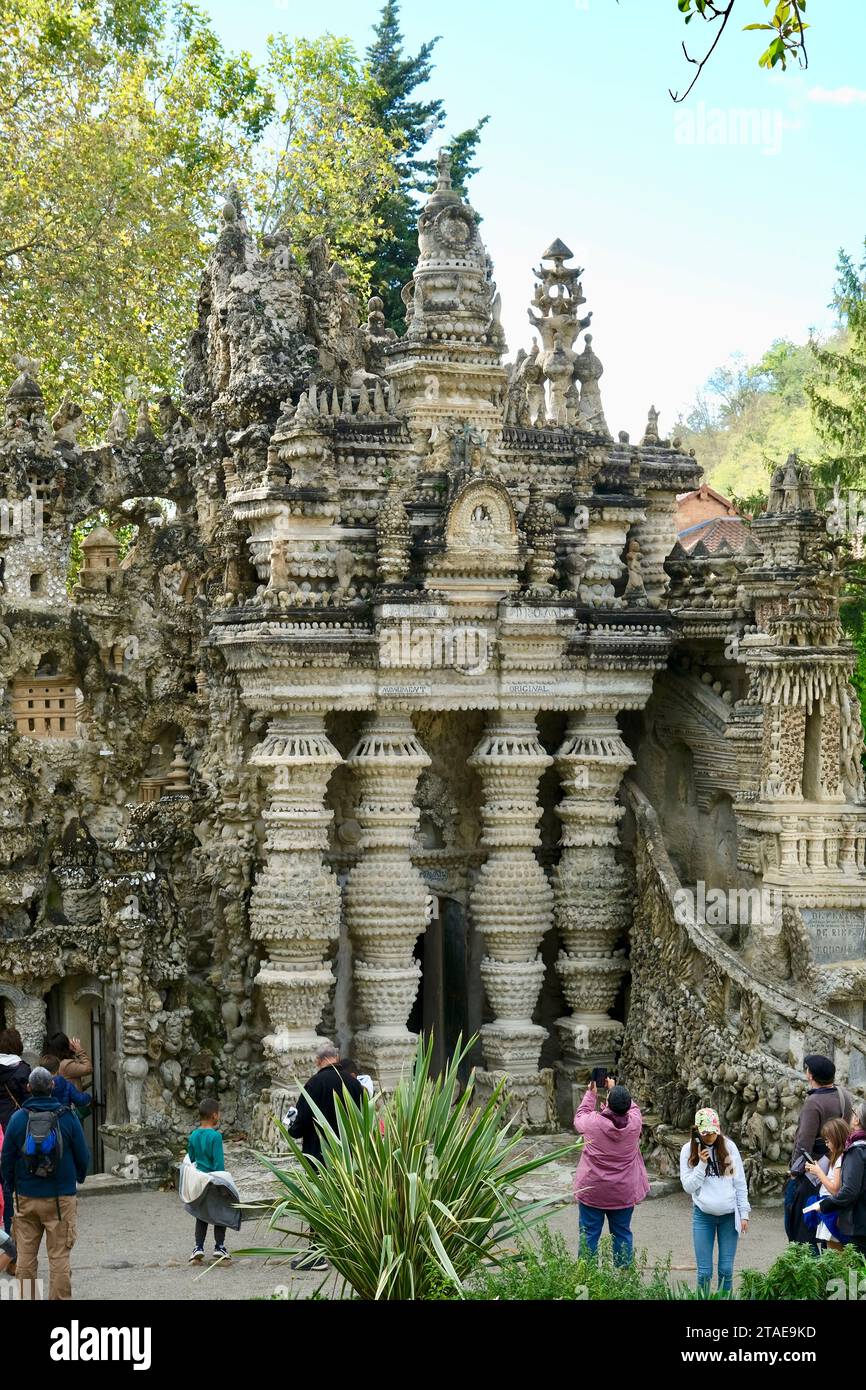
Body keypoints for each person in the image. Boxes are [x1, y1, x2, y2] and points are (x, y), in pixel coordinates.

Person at [0, 1065, 90, 1300]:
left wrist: (12, 1187)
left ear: (28, 1088)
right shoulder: (67, 1117)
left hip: (26, 1198)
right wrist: (76, 1179)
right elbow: (83, 1156)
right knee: (59, 1257)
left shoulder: (18, 1119)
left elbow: (7, 1158)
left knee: (26, 1258)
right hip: (60, 1198)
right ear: (52, 1086)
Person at [286, 1040, 365, 1272]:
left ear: (318, 1061)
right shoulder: (353, 1084)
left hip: (318, 1155)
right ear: (337, 1059)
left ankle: (317, 1255)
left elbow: (298, 1125)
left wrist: (289, 1126)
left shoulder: (314, 1083)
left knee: (320, 1203)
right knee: (345, 1200)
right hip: (348, 1155)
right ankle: (350, 1253)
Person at [573, 1077, 649, 1266]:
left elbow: (580, 1116)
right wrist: (616, 1090)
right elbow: (634, 1109)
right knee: (622, 1233)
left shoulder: (592, 1123)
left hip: (593, 1191)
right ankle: (623, 1282)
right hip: (622, 1192)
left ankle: (587, 1279)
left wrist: (591, 1094)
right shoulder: (635, 1124)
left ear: (607, 1103)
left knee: (589, 1234)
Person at [680, 1106, 750, 1294]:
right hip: (703, 1216)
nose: (710, 1137)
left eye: (713, 1133)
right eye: (706, 1134)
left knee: (726, 1270)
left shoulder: (728, 1147)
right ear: (697, 1131)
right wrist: (702, 1165)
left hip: (729, 1215)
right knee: (704, 1272)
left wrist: (744, 1213)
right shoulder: (688, 1150)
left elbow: (739, 1182)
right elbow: (688, 1187)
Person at [785, 1054, 853, 1247]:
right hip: (836, 1163)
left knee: (798, 1221)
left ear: (810, 1075)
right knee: (826, 1222)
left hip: (812, 1170)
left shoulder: (813, 1103)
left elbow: (803, 1143)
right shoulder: (844, 1096)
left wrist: (794, 1172)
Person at [183, 1098, 239, 1264]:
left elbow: (191, 1158)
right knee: (219, 1214)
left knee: (201, 1215)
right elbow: (218, 1163)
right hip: (214, 1181)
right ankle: (219, 1246)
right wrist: (223, 1184)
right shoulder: (215, 1137)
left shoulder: (193, 1135)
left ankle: (198, 1247)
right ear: (214, 1115)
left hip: (200, 1181)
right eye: (219, 1113)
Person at [817, 1100, 866, 1255]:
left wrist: (826, 1205)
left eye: (853, 1114)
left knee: (856, 1273)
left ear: (857, 1119)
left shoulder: (856, 1151)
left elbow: (850, 1190)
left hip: (858, 1224)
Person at [0, 1027, 30, 1234]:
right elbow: (29, 1101)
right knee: (14, 1175)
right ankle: (14, 1222)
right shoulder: (22, 1069)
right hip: (15, 1124)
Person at [805, 1118, 850, 1250]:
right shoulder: (838, 1156)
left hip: (832, 1210)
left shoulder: (840, 1158)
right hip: (830, 1208)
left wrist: (819, 1172)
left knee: (836, 1259)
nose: (826, 1144)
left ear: (837, 1138)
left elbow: (835, 1189)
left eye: (828, 1140)